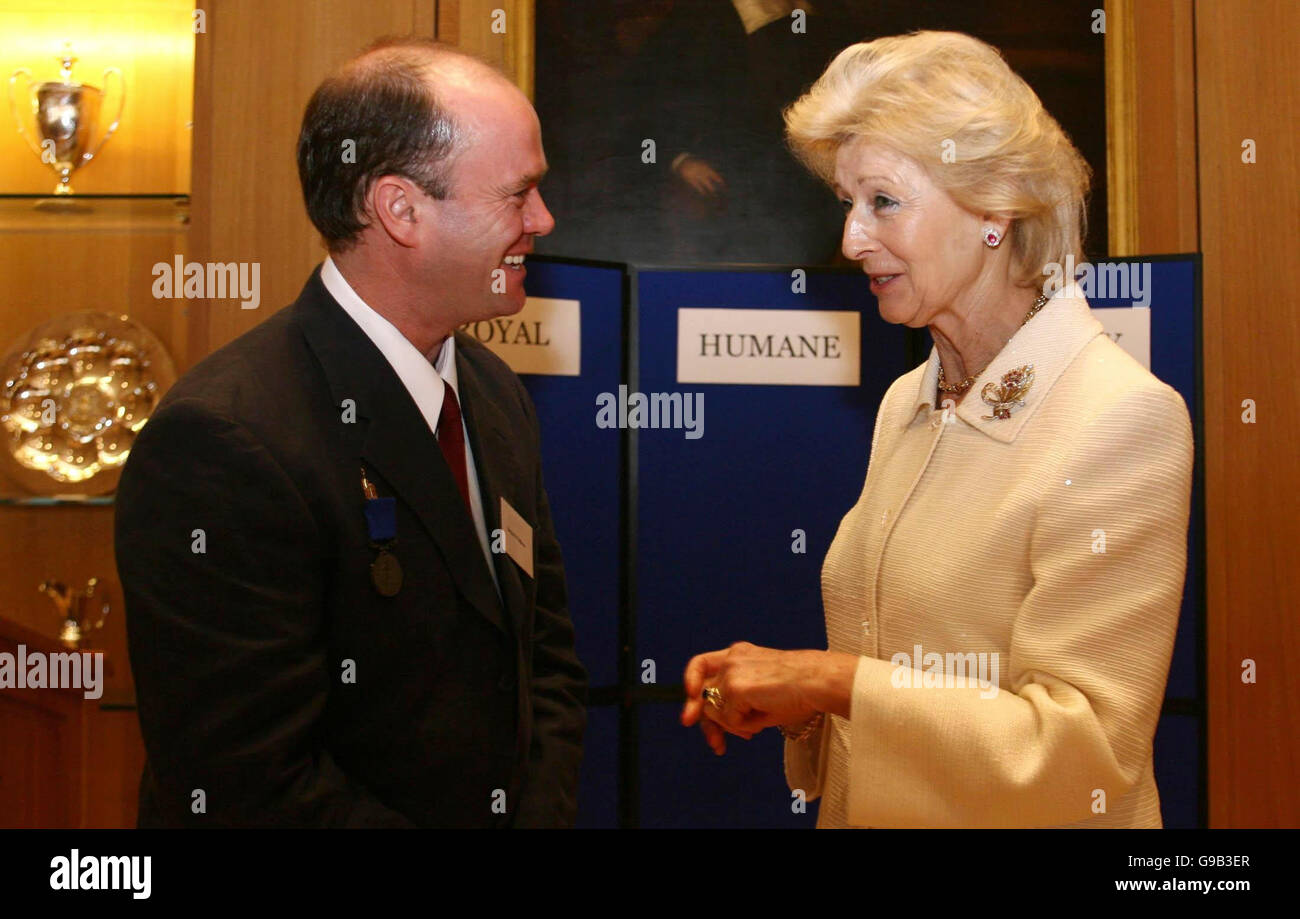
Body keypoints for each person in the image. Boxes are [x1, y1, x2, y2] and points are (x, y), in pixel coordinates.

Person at [680, 31, 1193, 828]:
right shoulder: (905, 403)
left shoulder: (1120, 417)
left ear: (995, 208)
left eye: (883, 200)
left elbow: (1083, 750)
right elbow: (902, 674)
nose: (852, 239)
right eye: (847, 203)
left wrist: (826, 680)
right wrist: (795, 701)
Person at [115, 38, 587, 827]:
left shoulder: (494, 391)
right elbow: (247, 781)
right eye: (519, 193)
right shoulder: (224, 439)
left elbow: (546, 663)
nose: (544, 219)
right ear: (400, 210)